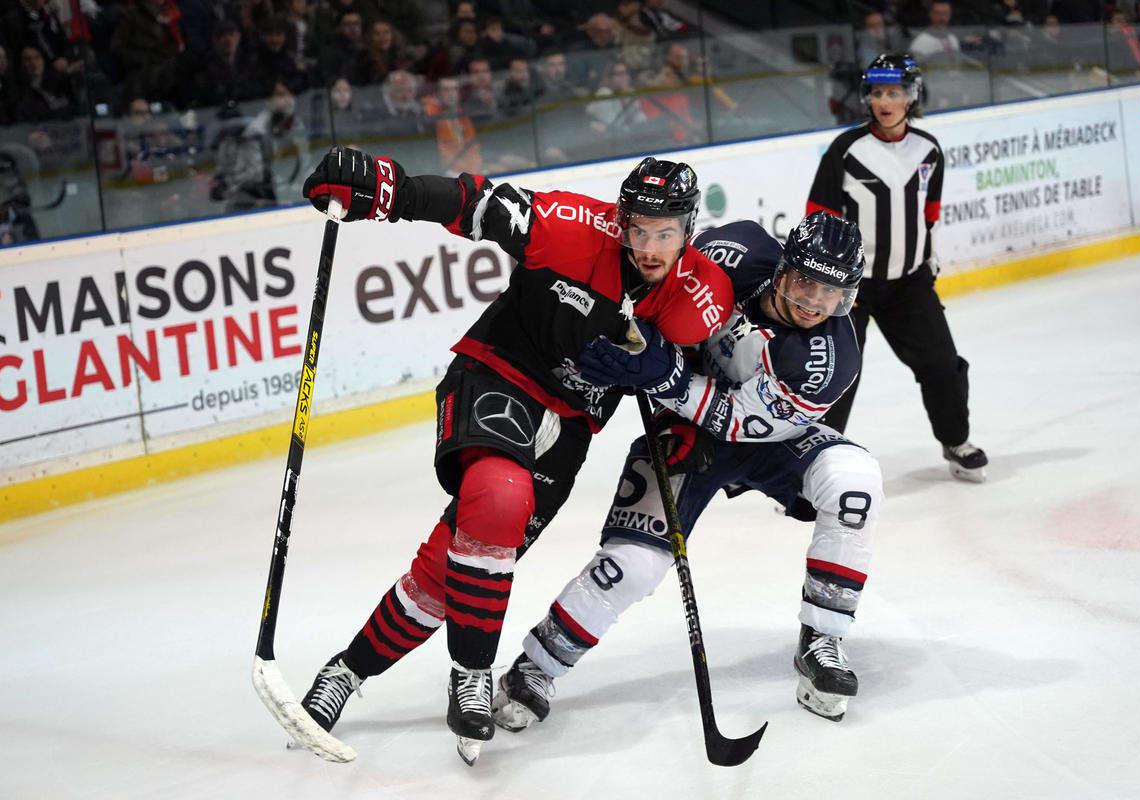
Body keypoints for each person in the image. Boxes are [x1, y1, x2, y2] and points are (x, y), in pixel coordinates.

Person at [294, 147, 734, 765]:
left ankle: (347, 670)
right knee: (498, 498)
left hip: (571, 424)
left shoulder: (700, 292)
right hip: (501, 373)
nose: (649, 247)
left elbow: (698, 371)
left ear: (689, 229)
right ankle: (471, 673)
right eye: (638, 230)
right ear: (620, 220)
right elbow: (474, 202)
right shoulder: (574, 228)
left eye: (665, 233)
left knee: (451, 574)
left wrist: (660, 365)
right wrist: (384, 187)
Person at [490, 213, 881, 729]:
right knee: (634, 566)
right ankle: (537, 665)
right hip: (682, 431)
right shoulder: (733, 250)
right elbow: (652, 285)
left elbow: (743, 420)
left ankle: (822, 641)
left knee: (855, 482)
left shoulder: (832, 356)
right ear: (783, 269)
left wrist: (664, 375)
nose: (814, 304)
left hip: (770, 439)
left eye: (832, 293)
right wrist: (630, 338)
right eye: (806, 283)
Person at [806, 53, 988, 482]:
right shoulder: (846, 151)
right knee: (836, 375)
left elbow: (930, 211)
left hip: (910, 284)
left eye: (894, 92)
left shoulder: (929, 150)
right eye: (876, 92)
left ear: (912, 96)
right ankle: (812, 465)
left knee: (942, 365)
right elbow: (818, 215)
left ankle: (955, 441)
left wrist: (927, 258)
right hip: (849, 288)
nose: (884, 101)